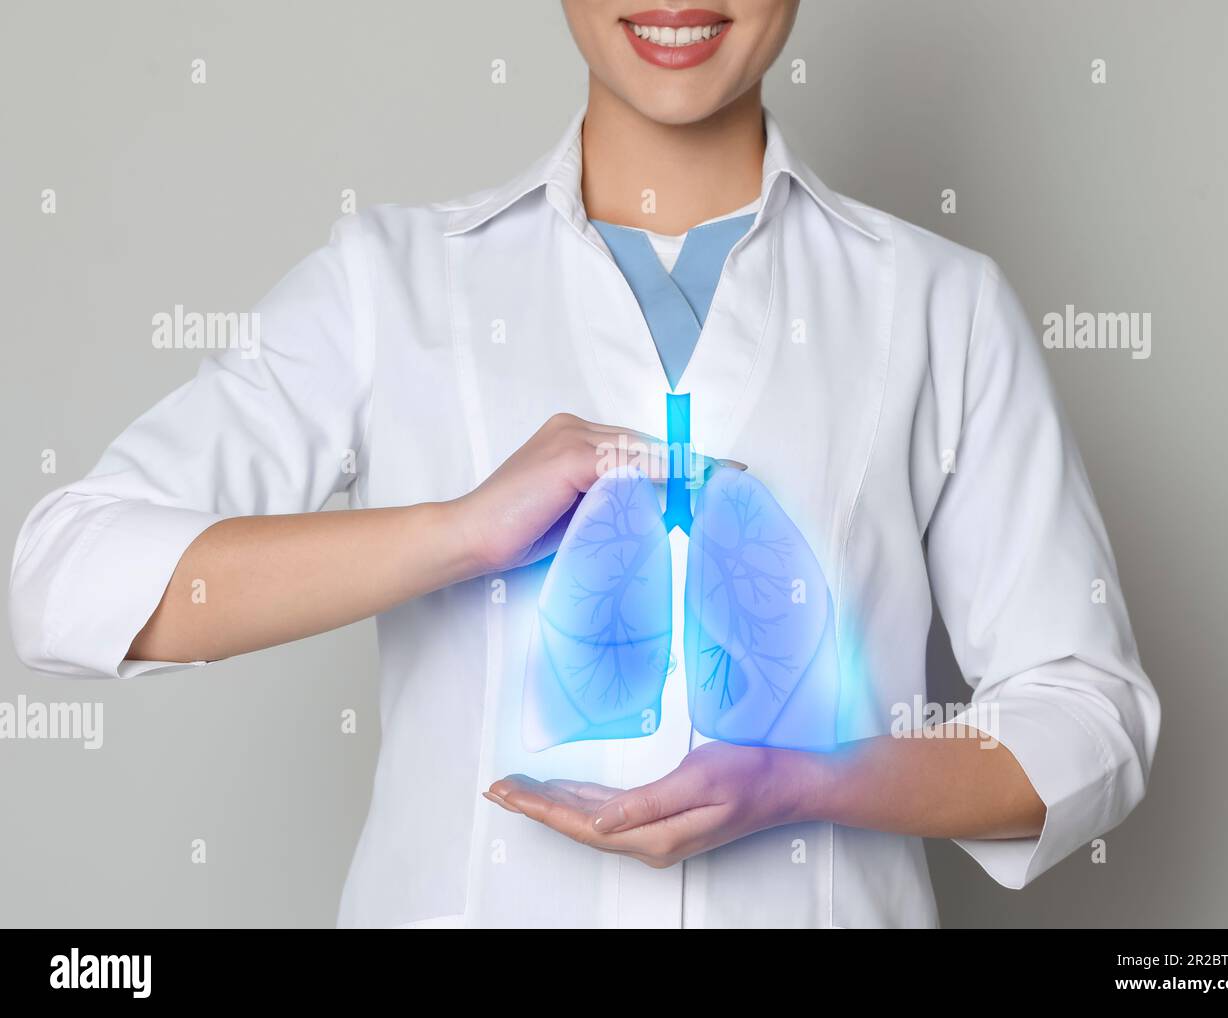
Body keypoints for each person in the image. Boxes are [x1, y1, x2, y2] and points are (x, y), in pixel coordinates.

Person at [9, 0, 1159, 928]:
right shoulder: (392, 282)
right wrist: (459, 528)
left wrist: (811, 781)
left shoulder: (936, 305)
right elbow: (64, 580)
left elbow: (1087, 714)